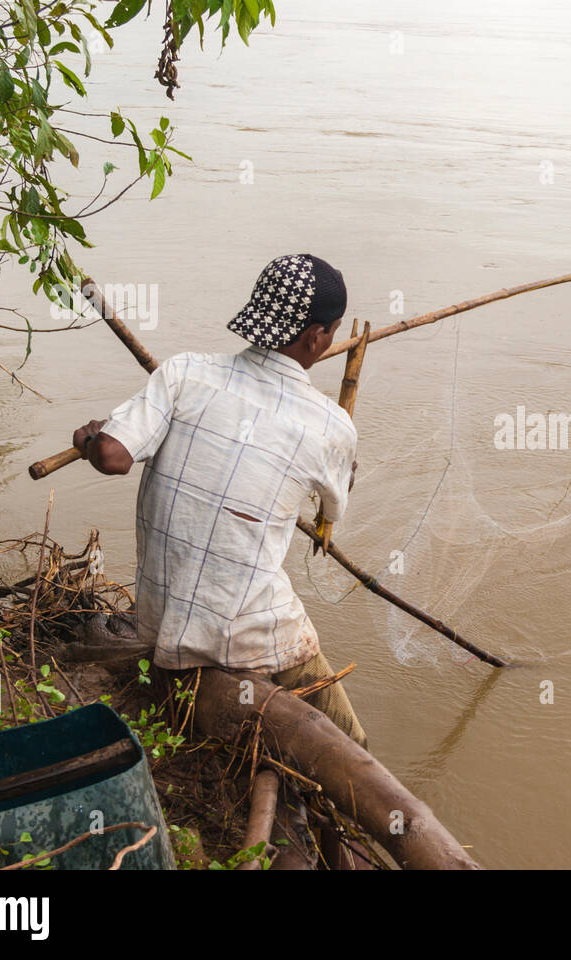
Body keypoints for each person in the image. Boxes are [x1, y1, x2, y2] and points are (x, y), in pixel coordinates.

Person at [71, 254, 368, 748]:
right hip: (254, 635)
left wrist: (89, 438)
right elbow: (331, 511)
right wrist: (344, 471)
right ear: (316, 337)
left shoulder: (185, 372)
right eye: (332, 332)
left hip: (160, 623)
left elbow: (113, 456)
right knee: (353, 746)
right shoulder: (332, 425)